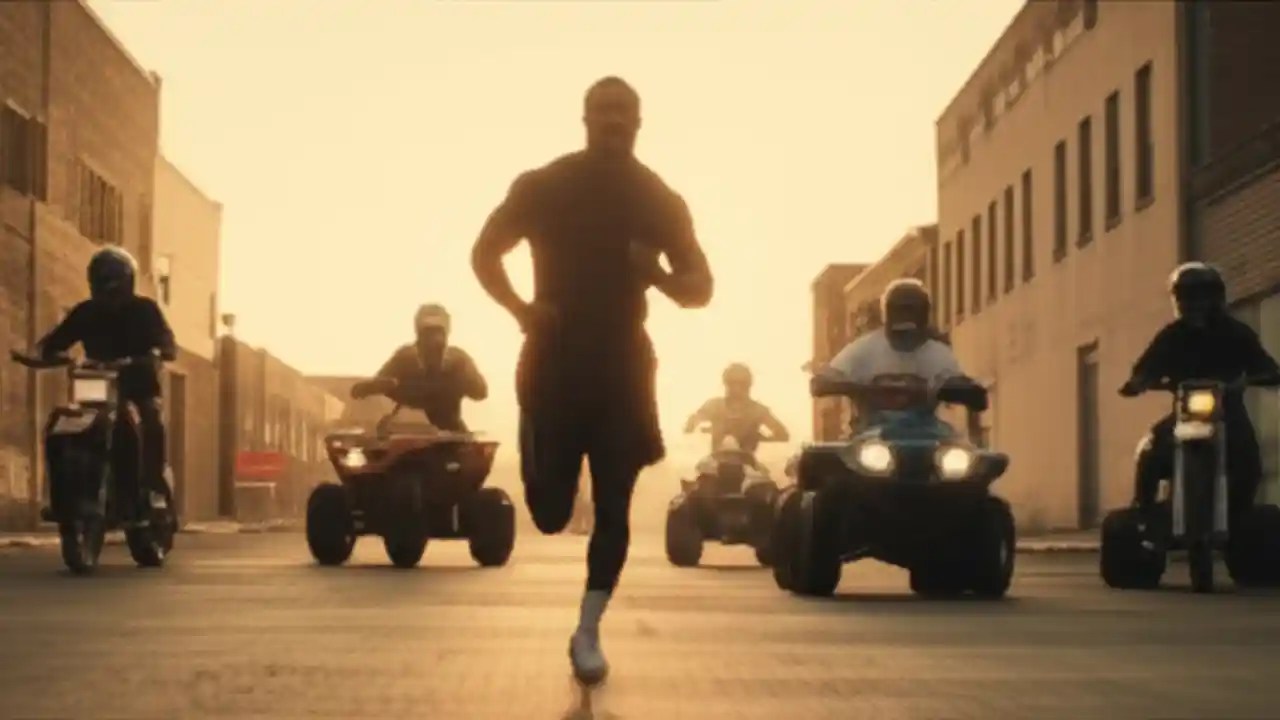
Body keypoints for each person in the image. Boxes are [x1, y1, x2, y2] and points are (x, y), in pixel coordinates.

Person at [470, 75, 713, 684]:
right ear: (585, 117)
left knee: (614, 505)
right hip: (552, 360)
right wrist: (522, 311)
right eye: (603, 111)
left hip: (624, 368)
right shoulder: (545, 185)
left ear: (638, 121)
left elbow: (701, 287)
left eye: (624, 112)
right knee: (551, 512)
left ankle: (588, 629)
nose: (613, 121)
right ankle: (535, 449)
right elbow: (483, 252)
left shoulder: (659, 199)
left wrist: (653, 274)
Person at [1119, 262, 1280, 532]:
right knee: (1152, 447)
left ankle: (1242, 513)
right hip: (1183, 416)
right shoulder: (1172, 336)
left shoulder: (1236, 333)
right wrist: (1138, 382)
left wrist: (1259, 377)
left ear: (1215, 297)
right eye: (1185, 296)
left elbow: (1265, 366)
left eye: (1200, 295)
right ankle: (1143, 511)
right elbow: (1146, 367)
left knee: (1247, 454)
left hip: (1229, 415)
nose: (1193, 302)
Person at [34, 246, 177, 515]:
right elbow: (56, 341)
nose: (107, 290)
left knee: (151, 421)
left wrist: (156, 353)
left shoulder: (145, 310)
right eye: (100, 282)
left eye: (112, 283)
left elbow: (167, 342)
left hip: (139, 387)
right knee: (59, 424)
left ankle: (154, 489)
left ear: (126, 282)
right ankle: (60, 498)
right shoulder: (85, 312)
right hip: (95, 389)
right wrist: (49, 353)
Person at [817, 279, 970, 420]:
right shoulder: (863, 350)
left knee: (957, 447)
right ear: (888, 314)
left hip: (929, 432)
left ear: (924, 315)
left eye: (912, 311)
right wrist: (846, 385)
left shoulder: (939, 355)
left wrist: (966, 388)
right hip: (871, 431)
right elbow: (825, 379)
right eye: (900, 311)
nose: (905, 318)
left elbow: (963, 384)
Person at [351, 304, 487, 432]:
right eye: (427, 334)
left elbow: (481, 392)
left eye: (438, 333)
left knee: (473, 453)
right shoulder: (404, 358)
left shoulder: (459, 360)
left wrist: (468, 380)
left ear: (446, 336)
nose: (433, 341)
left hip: (449, 434)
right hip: (404, 435)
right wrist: (376, 386)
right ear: (418, 336)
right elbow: (364, 389)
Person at [683, 363, 790, 455]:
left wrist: (760, 438)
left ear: (748, 385)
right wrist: (699, 427)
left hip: (746, 466)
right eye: (732, 383)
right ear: (726, 384)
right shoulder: (715, 406)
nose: (736, 388)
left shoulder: (757, 411)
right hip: (716, 465)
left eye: (741, 384)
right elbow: (690, 425)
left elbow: (783, 435)